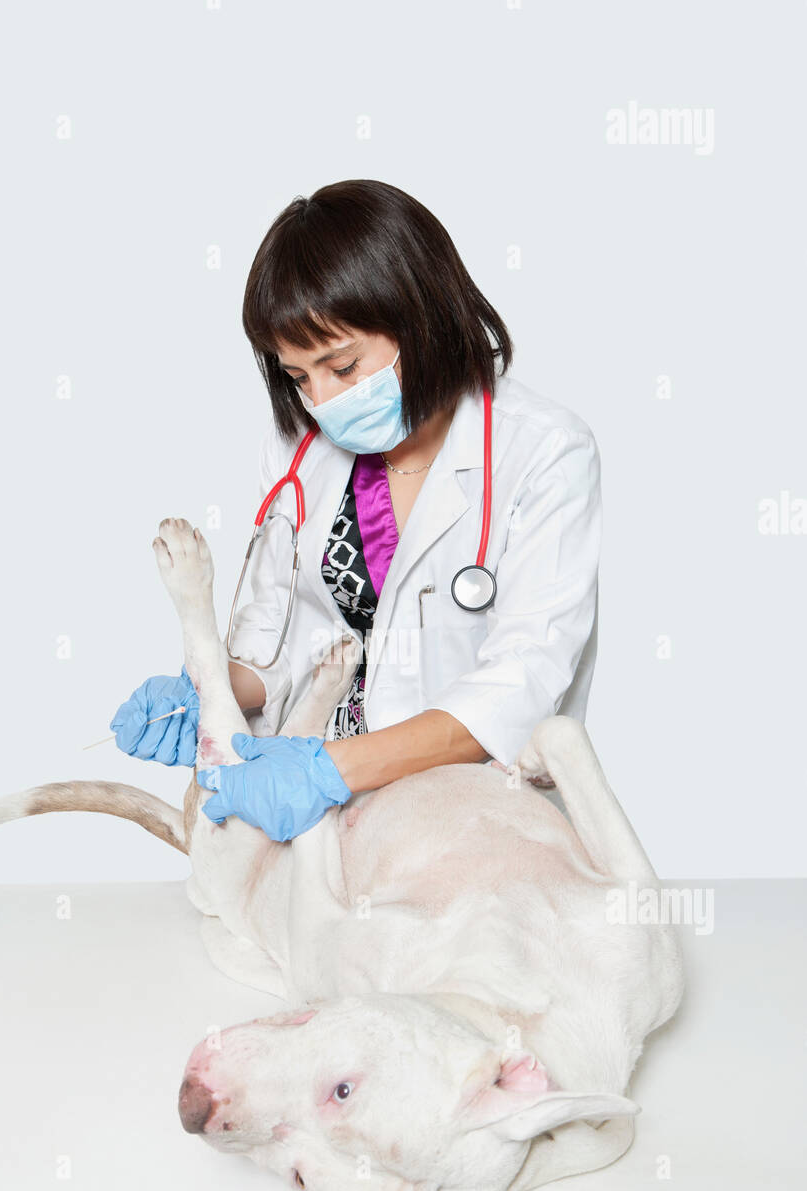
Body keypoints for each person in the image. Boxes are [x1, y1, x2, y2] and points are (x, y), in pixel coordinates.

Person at [111, 179, 601, 842]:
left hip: (475, 808)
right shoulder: (298, 456)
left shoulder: (543, 452)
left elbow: (523, 679)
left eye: (341, 366)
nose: (321, 399)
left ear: (421, 317)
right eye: (297, 376)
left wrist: (328, 769)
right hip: (319, 808)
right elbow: (289, 649)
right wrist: (210, 691)